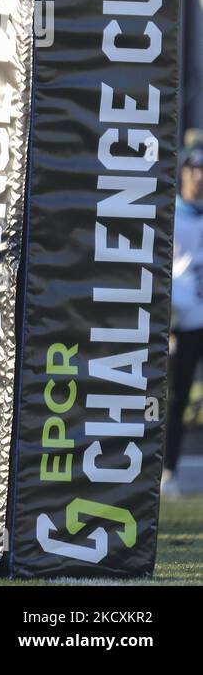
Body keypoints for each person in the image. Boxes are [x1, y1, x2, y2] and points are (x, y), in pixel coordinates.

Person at [167, 143, 203, 499]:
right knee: (175, 400)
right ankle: (168, 473)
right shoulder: (171, 216)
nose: (200, 178)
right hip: (182, 322)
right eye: (194, 170)